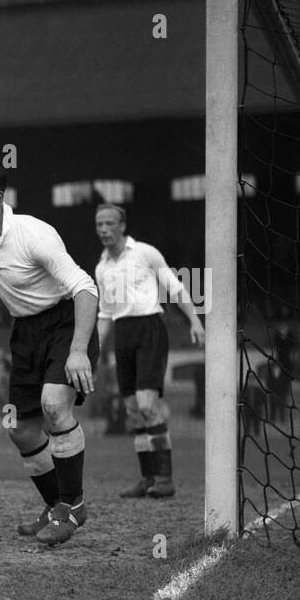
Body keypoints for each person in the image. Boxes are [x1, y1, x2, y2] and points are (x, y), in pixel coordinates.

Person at [0, 164, 100, 546]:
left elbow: (85, 287)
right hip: (25, 333)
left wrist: (78, 350)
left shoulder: (33, 234)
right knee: (18, 428)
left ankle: (73, 506)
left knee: (54, 406)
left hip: (65, 324)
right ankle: (55, 506)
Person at [93, 203, 205, 498]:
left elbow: (175, 288)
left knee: (146, 404)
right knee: (133, 410)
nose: (103, 229)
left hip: (150, 329)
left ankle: (165, 479)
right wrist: (93, 351)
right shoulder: (102, 267)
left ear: (122, 226)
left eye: (109, 223)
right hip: (122, 334)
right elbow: (105, 314)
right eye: (99, 224)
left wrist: (194, 321)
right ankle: (147, 478)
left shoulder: (144, 253)